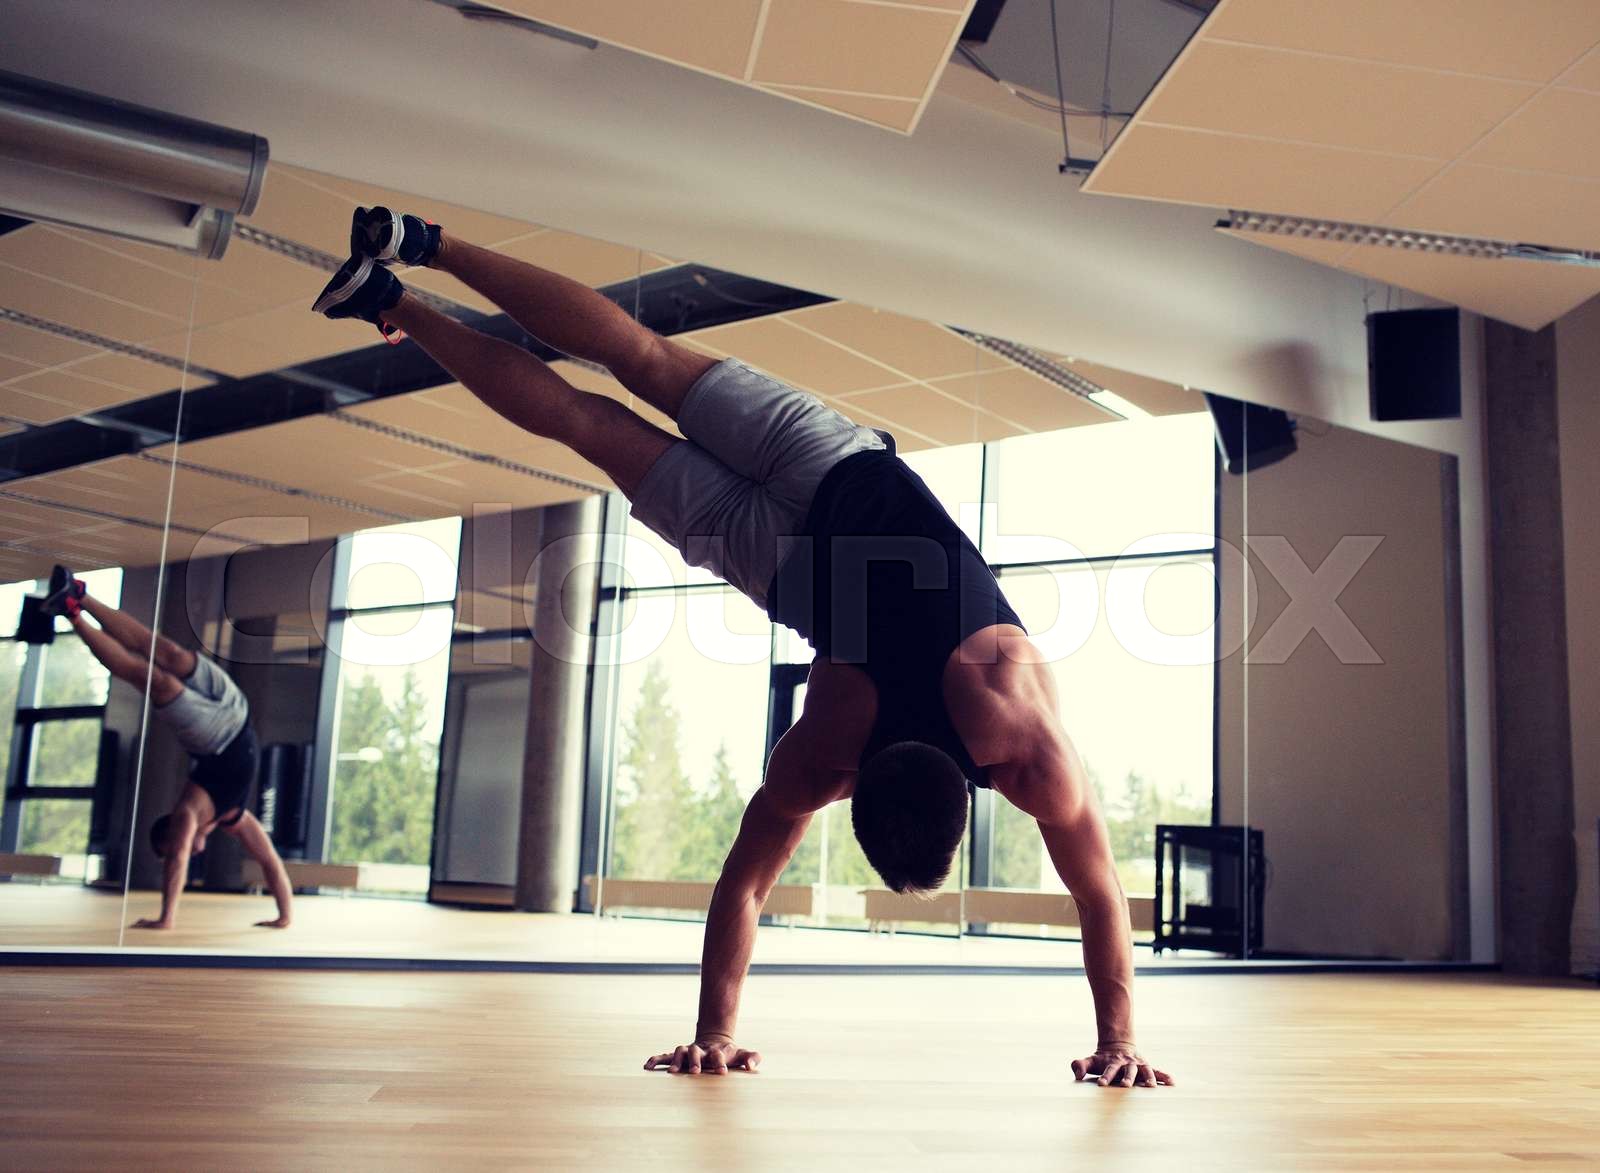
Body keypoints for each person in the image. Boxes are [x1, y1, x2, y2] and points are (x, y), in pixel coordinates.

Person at [314, 208, 1171, 1089]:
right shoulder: (827, 753)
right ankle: (391, 299)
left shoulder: (1004, 728)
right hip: (773, 561)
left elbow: (1097, 892)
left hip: (840, 469)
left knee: (641, 355)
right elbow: (747, 885)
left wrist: (1121, 1037)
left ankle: (425, 243)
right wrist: (711, 1033)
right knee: (581, 422)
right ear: (853, 795)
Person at [40, 567, 293, 932]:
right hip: (237, 711)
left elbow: (177, 858)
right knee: (159, 666)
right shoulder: (234, 818)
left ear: (174, 834)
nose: (192, 849)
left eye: (179, 845)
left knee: (156, 667)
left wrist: (166, 917)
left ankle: (76, 601)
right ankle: (74, 605)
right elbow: (269, 861)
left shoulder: (189, 813)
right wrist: (285, 915)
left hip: (214, 733)